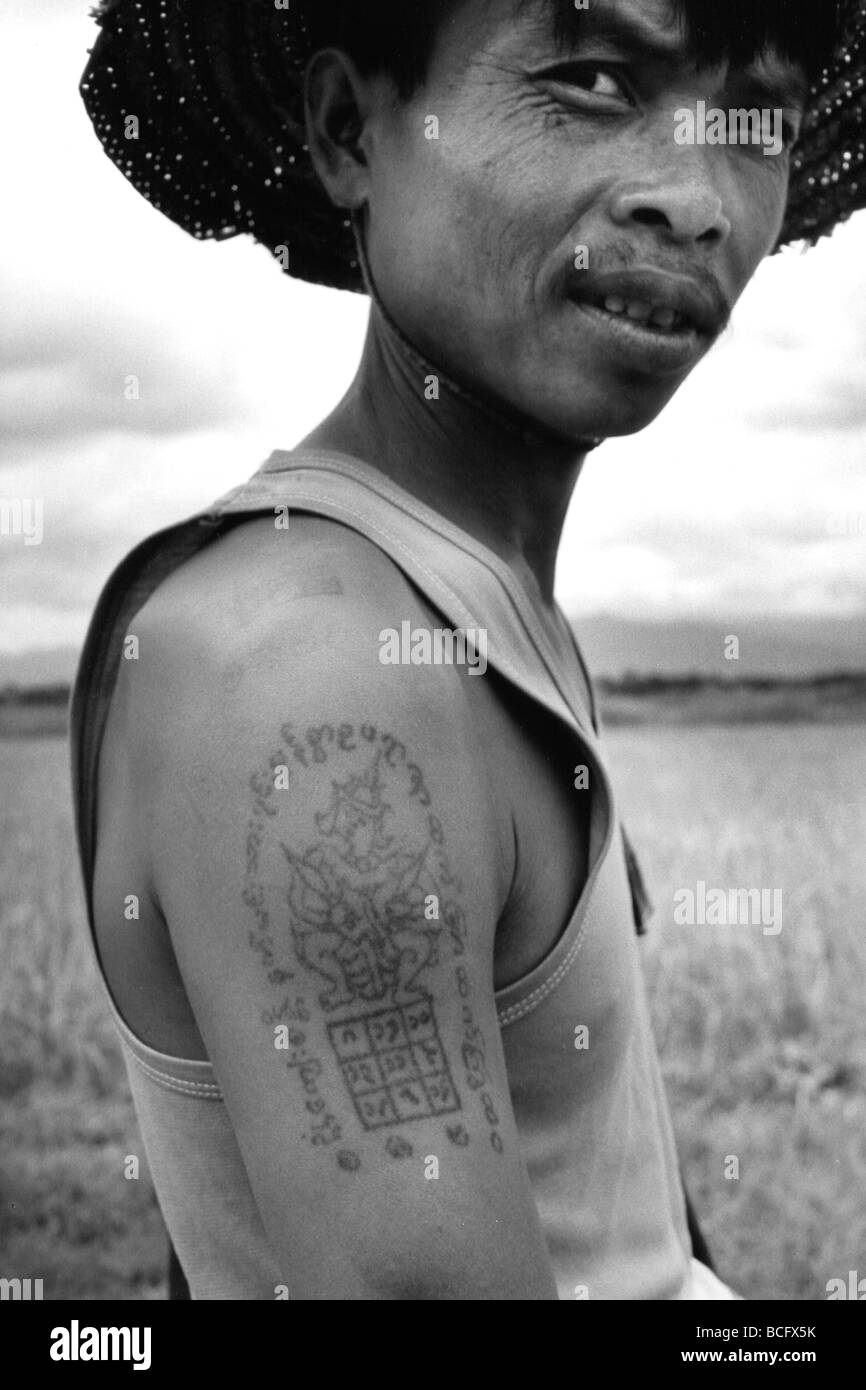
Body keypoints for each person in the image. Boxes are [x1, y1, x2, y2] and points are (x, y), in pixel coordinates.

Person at [71, 0, 863, 1300]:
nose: (695, 200)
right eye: (594, 76)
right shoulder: (317, 679)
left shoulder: (460, 596)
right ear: (348, 133)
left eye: (751, 118)